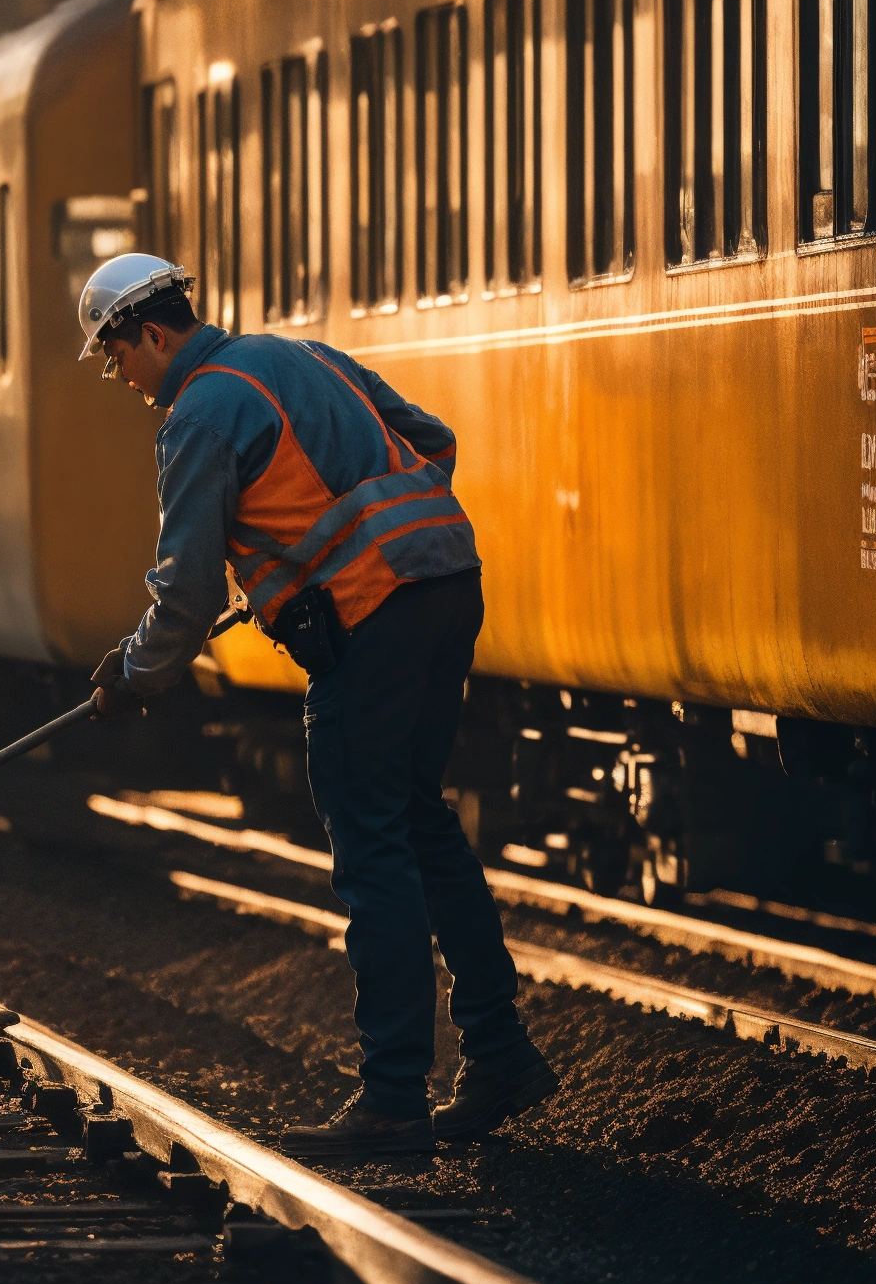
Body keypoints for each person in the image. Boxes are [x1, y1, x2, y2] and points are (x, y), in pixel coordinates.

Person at [78, 251, 559, 1160]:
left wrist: (136, 678)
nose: (120, 377)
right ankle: (498, 1055)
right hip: (448, 583)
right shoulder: (303, 357)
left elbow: (182, 594)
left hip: (373, 623)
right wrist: (335, 552)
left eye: (116, 356)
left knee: (372, 843)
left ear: (150, 331)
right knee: (420, 822)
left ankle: (391, 1098)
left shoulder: (198, 417)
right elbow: (435, 439)